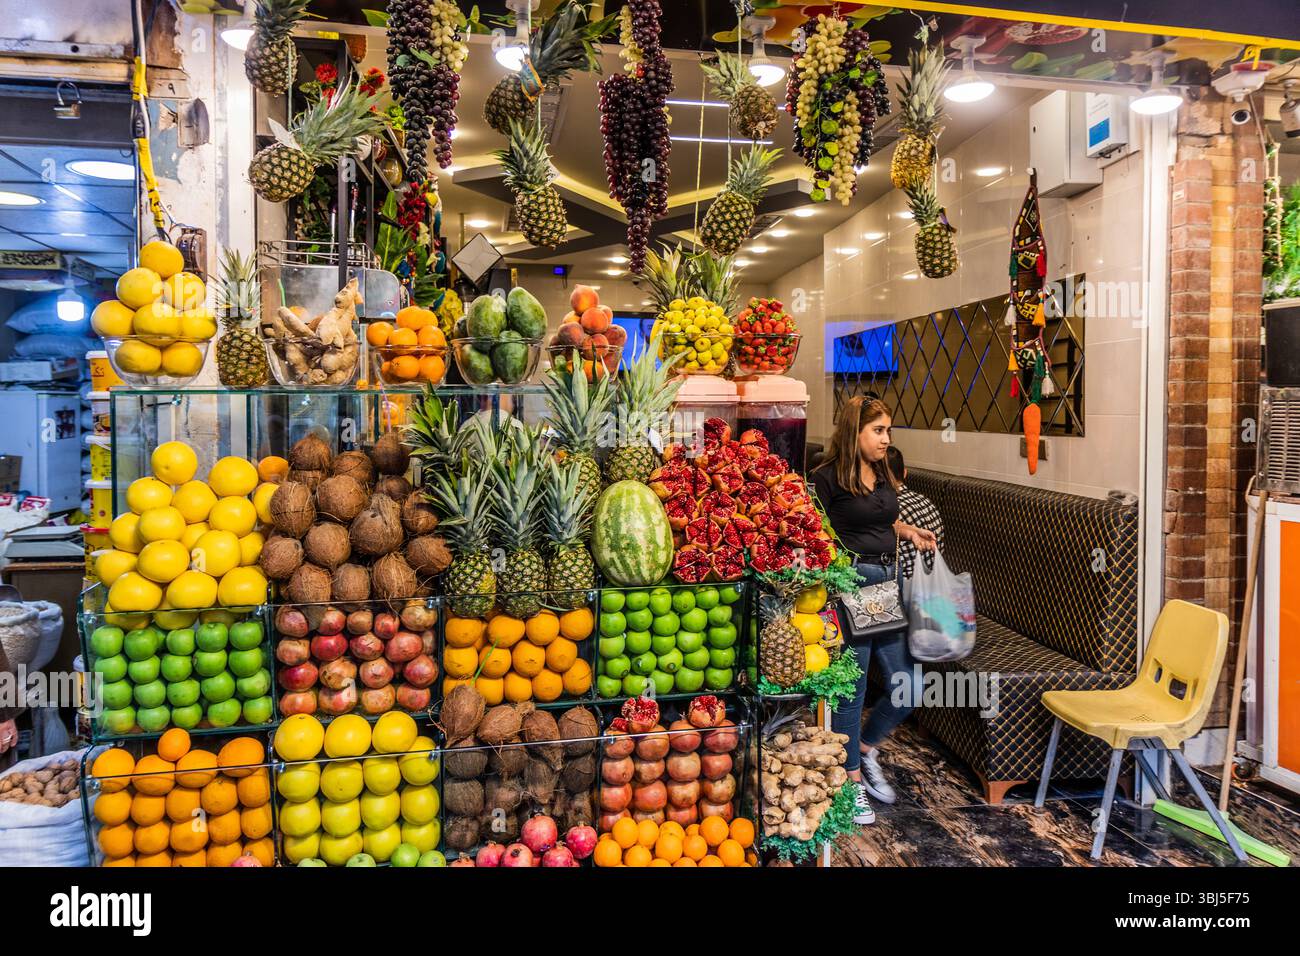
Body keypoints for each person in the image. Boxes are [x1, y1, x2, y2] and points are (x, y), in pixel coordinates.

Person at [811, 398, 936, 824]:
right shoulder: (824, 478)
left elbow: (878, 520)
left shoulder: (881, 471)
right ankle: (850, 781)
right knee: (854, 686)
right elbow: (818, 535)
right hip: (852, 585)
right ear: (855, 431)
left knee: (909, 684)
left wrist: (903, 529)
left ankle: (862, 749)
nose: (887, 439)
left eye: (888, 431)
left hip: (883, 587)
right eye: (878, 431)